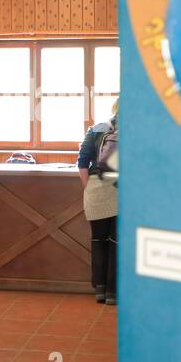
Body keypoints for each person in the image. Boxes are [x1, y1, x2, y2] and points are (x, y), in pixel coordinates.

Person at [79, 100, 119, 305]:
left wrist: (89, 187)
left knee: (98, 240)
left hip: (96, 189)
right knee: (115, 242)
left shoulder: (97, 129)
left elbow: (82, 162)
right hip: (121, 190)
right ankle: (113, 292)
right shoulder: (138, 130)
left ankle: (100, 290)